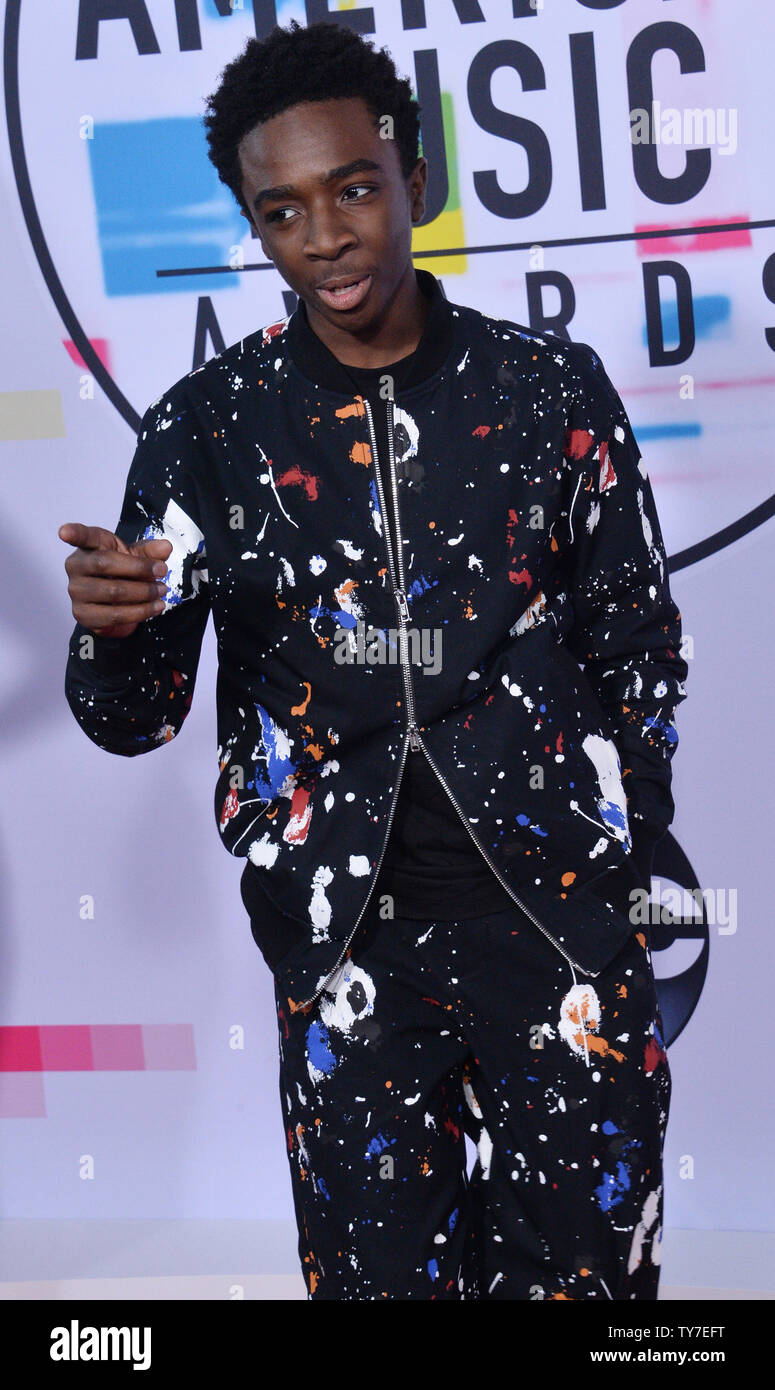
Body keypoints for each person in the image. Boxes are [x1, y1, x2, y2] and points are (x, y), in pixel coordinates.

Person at [60, 20, 688, 1300]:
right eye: (281, 210)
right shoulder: (208, 433)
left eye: (352, 188)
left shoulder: (548, 390)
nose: (326, 236)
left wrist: (617, 844)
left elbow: (638, 642)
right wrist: (111, 633)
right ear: (255, 224)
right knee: (374, 1288)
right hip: (347, 944)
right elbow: (135, 720)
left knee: (589, 1286)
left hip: (555, 927)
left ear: (411, 175)